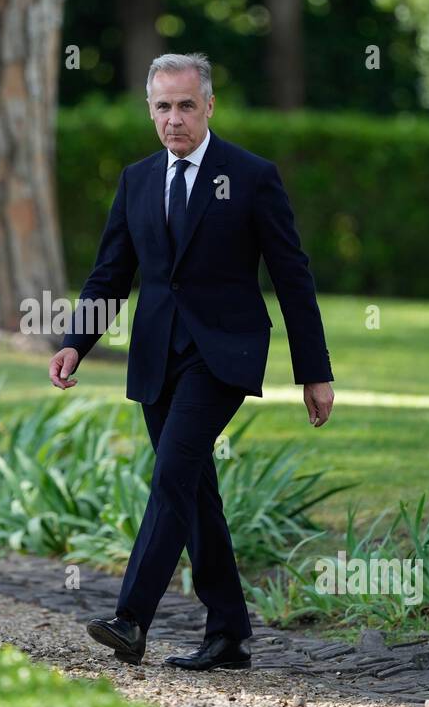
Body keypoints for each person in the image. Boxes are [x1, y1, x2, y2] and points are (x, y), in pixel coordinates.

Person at [47, 52, 334, 671]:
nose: (173, 119)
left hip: (222, 355)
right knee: (196, 492)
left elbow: (292, 276)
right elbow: (109, 275)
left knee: (173, 472)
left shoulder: (251, 176)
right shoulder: (138, 179)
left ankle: (132, 619)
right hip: (156, 358)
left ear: (208, 106)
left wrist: (314, 370)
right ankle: (230, 633)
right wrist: (75, 341)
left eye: (184, 105)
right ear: (149, 109)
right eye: (161, 106)